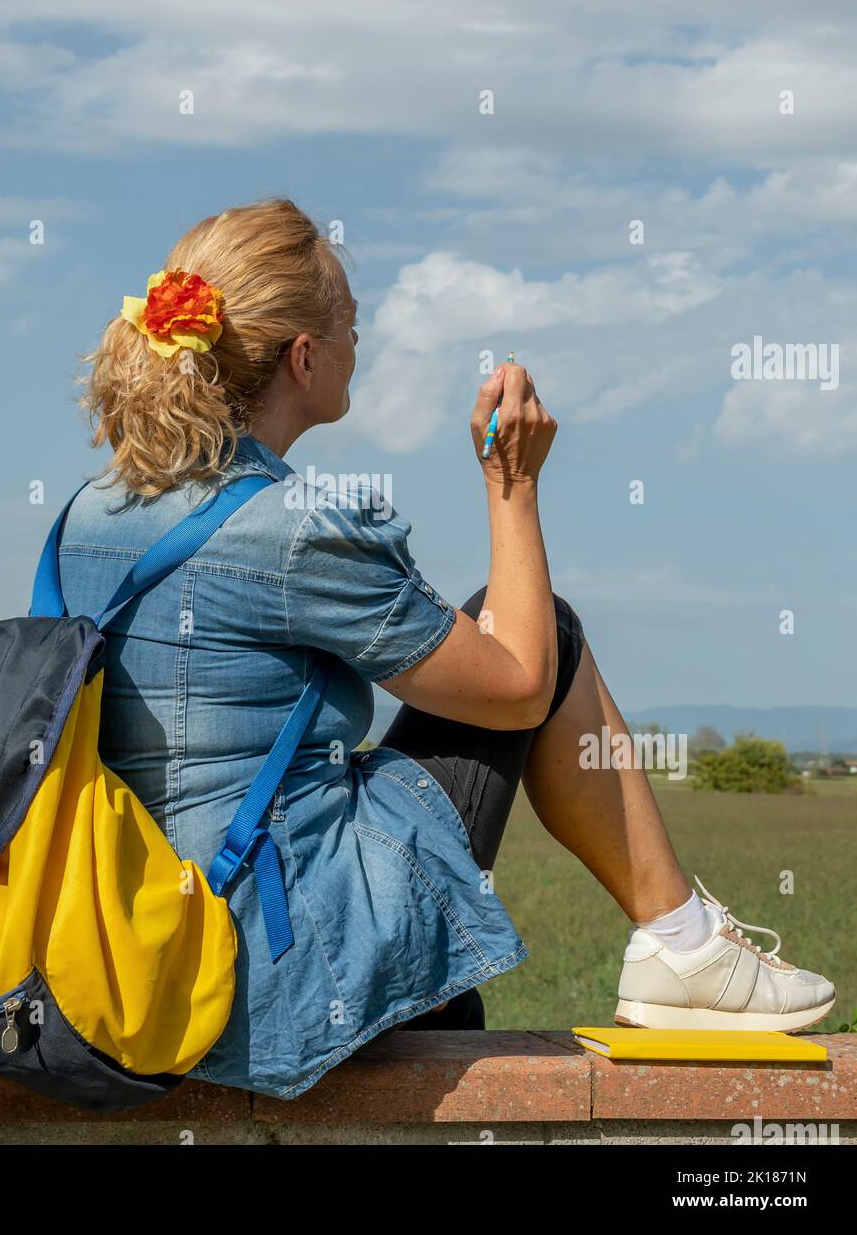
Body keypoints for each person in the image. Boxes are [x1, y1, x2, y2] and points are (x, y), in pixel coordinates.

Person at [56, 196, 835, 1099]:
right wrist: (512, 485)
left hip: (118, 946)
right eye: (350, 322)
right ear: (303, 357)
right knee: (543, 630)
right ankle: (683, 947)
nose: (360, 340)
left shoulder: (88, 513)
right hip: (255, 969)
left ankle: (653, 955)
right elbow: (521, 687)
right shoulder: (289, 530)